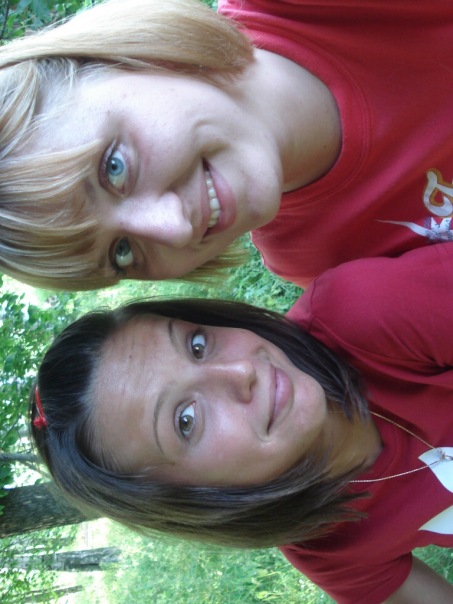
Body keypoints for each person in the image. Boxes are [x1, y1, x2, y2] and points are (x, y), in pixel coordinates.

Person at [30, 242, 453, 603]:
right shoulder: (324, 546)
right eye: (186, 420)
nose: (239, 372)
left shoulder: (364, 311)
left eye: (198, 344)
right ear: (189, 500)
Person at [0, 0, 452, 290]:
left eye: (114, 167)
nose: (173, 229)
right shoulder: (312, 260)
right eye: (122, 252)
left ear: (126, 54)